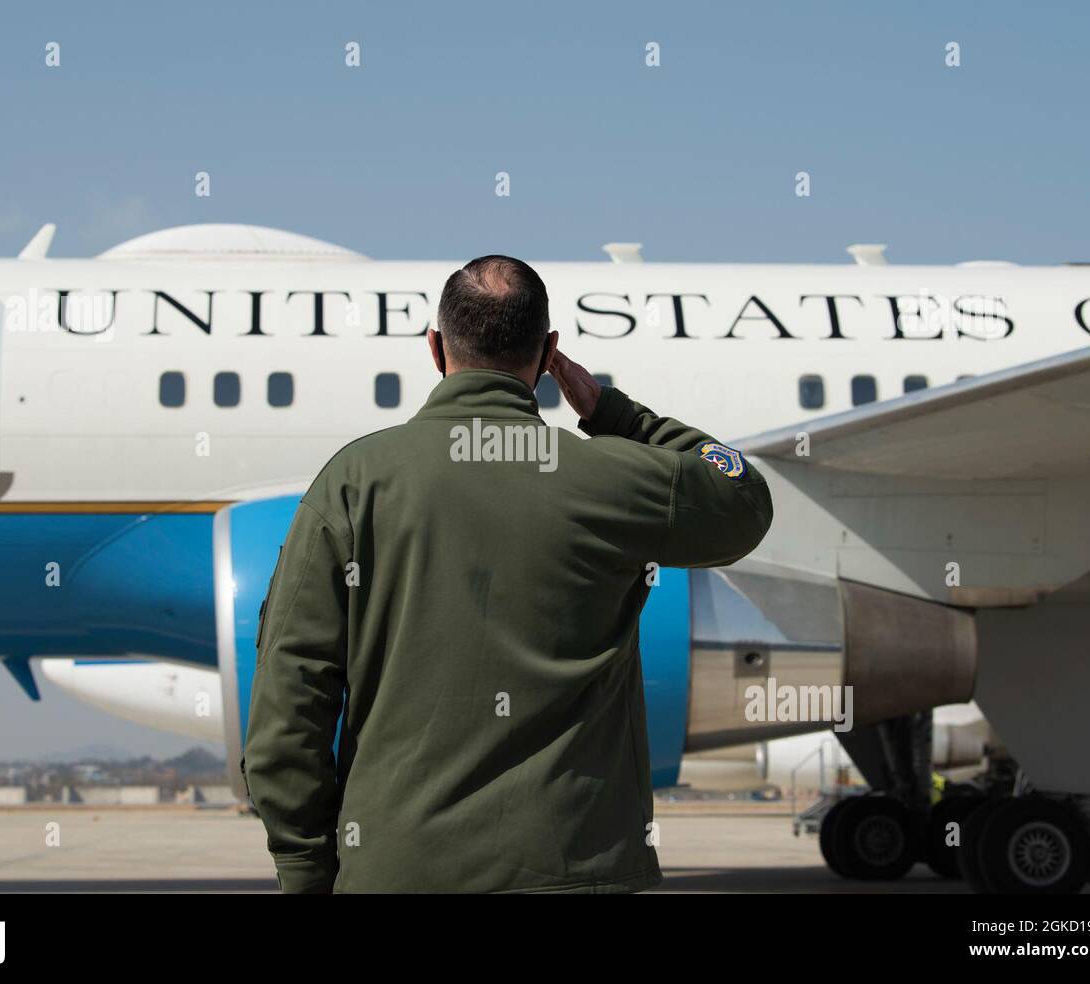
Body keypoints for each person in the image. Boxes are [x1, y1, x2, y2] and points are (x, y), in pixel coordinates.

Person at [243, 254, 773, 893]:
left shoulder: (353, 484)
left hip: (397, 874)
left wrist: (305, 870)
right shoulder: (610, 478)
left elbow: (288, 703)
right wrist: (615, 415)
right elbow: (742, 498)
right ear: (549, 354)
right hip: (580, 874)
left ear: (435, 347)